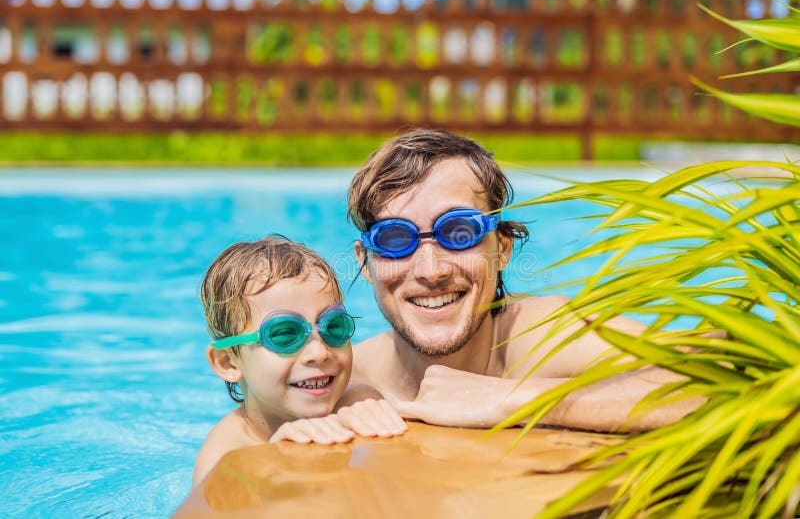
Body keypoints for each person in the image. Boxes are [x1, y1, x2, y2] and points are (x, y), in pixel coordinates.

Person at [347, 129, 703, 432]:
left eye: (459, 232)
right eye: (394, 239)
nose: (431, 270)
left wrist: (513, 398)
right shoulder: (346, 378)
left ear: (502, 249)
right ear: (366, 263)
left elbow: (719, 377)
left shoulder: (548, 334)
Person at [193, 236, 406, 486]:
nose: (319, 352)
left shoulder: (357, 403)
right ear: (228, 362)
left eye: (334, 327)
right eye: (285, 334)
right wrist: (276, 465)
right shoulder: (226, 455)